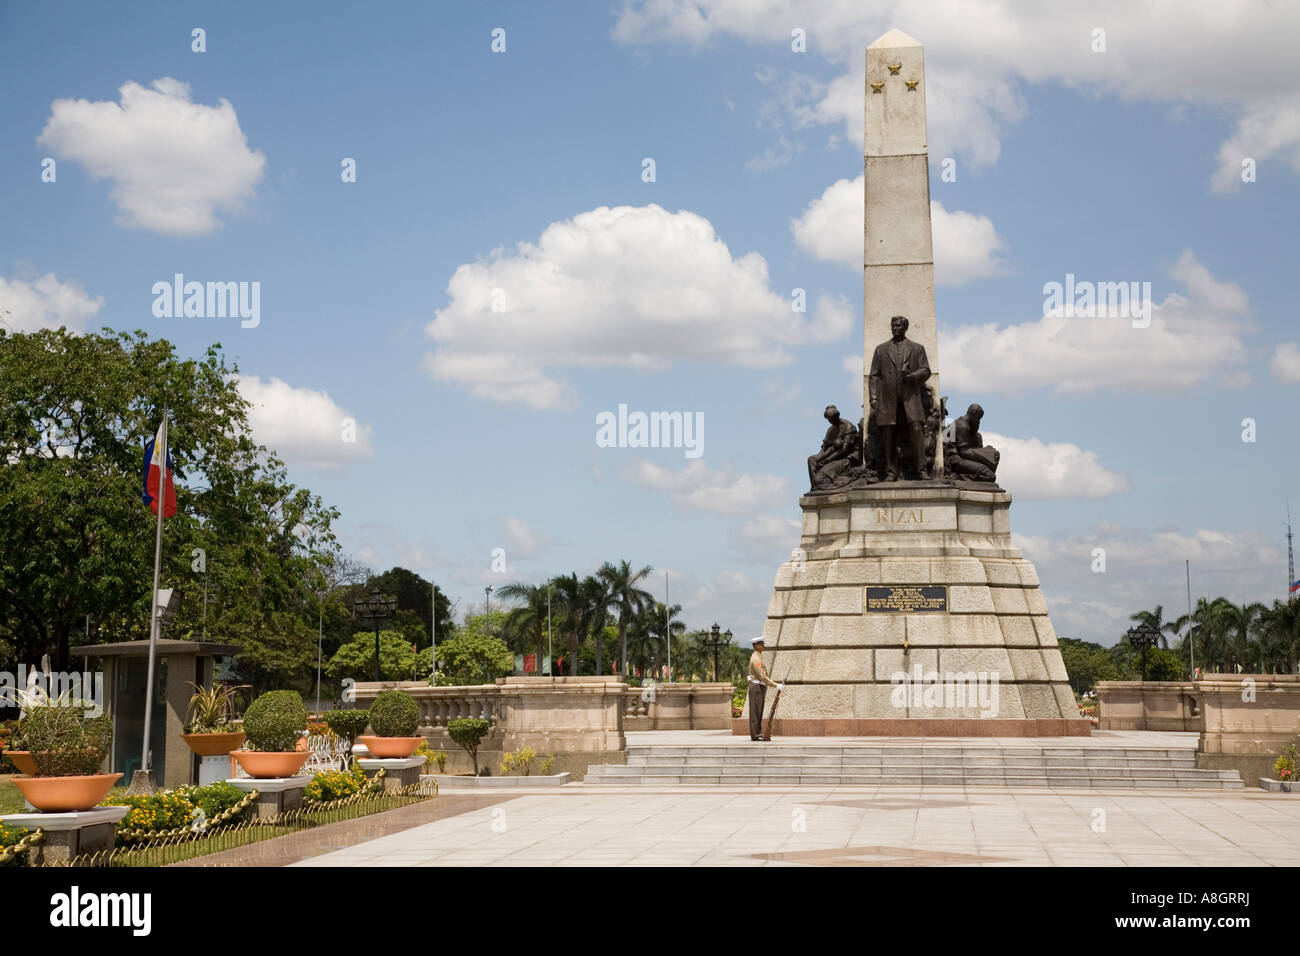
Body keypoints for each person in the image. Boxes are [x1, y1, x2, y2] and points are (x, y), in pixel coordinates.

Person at [868, 315, 931, 480]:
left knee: (917, 431)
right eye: (893, 326)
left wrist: (911, 377)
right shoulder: (881, 349)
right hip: (888, 398)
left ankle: (922, 470)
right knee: (888, 434)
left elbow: (925, 370)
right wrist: (873, 398)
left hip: (910, 397)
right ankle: (890, 471)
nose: (895, 328)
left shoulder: (917, 348)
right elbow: (874, 375)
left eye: (898, 326)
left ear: (905, 327)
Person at [947, 403, 999, 482]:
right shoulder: (962, 426)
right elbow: (964, 452)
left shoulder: (969, 428)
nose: (978, 421)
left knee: (990, 468)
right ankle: (956, 477)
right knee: (990, 475)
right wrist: (987, 456)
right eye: (979, 418)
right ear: (974, 414)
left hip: (962, 459)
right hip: (956, 461)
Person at [747, 638, 782, 741]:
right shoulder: (756, 659)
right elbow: (762, 676)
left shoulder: (758, 657)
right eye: (761, 644)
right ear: (756, 645)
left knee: (758, 711)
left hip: (759, 687)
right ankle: (755, 735)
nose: (764, 646)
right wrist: (775, 685)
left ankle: (758, 733)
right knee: (755, 712)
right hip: (756, 687)